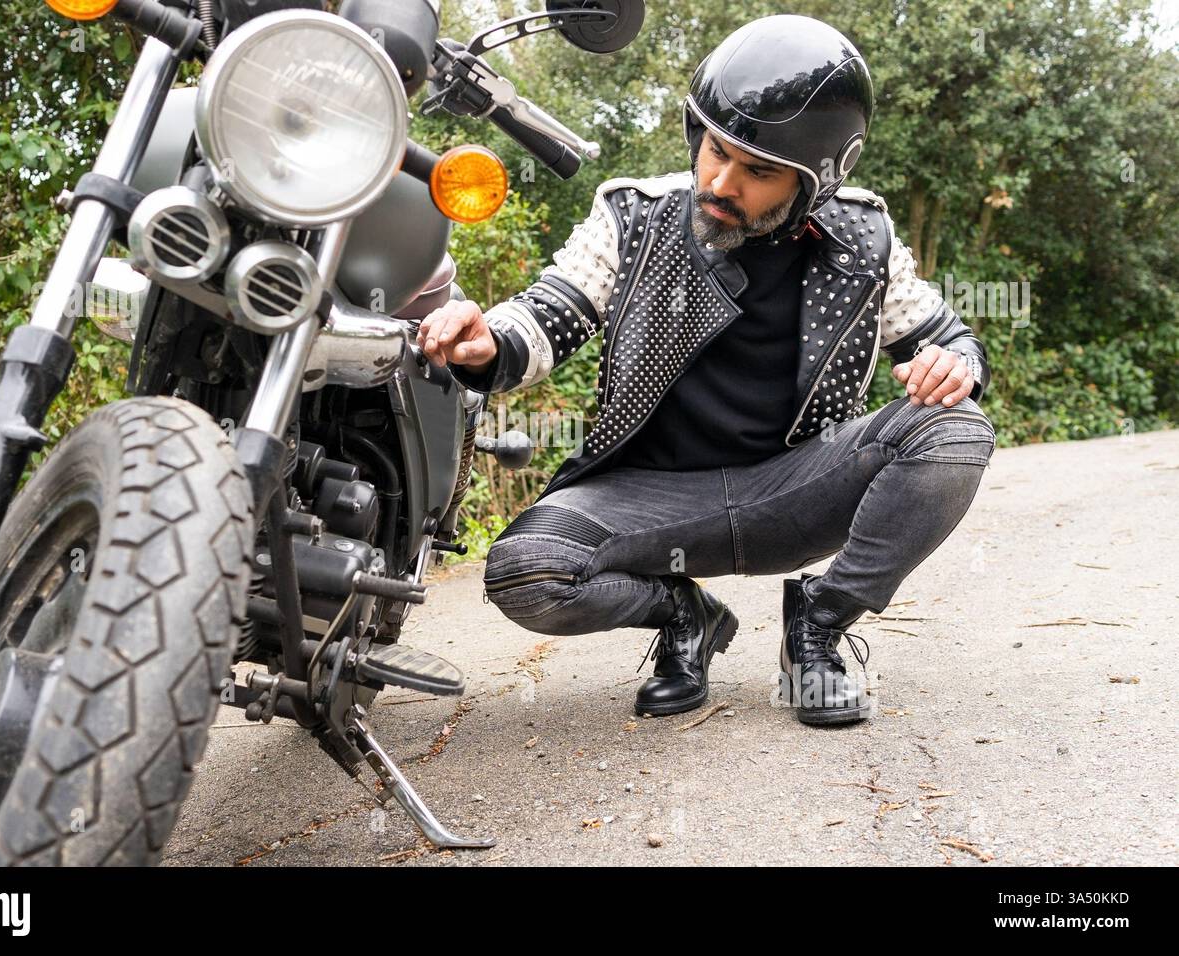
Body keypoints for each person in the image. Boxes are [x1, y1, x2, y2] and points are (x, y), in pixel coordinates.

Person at [418, 14, 995, 725]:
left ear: (815, 182)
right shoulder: (631, 215)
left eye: (757, 171)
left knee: (955, 428)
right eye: (714, 151)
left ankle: (818, 623)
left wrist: (953, 364)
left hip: (791, 489)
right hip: (649, 497)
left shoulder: (864, 237)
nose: (720, 181)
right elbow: (548, 313)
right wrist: (488, 341)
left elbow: (952, 341)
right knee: (525, 573)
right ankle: (684, 616)